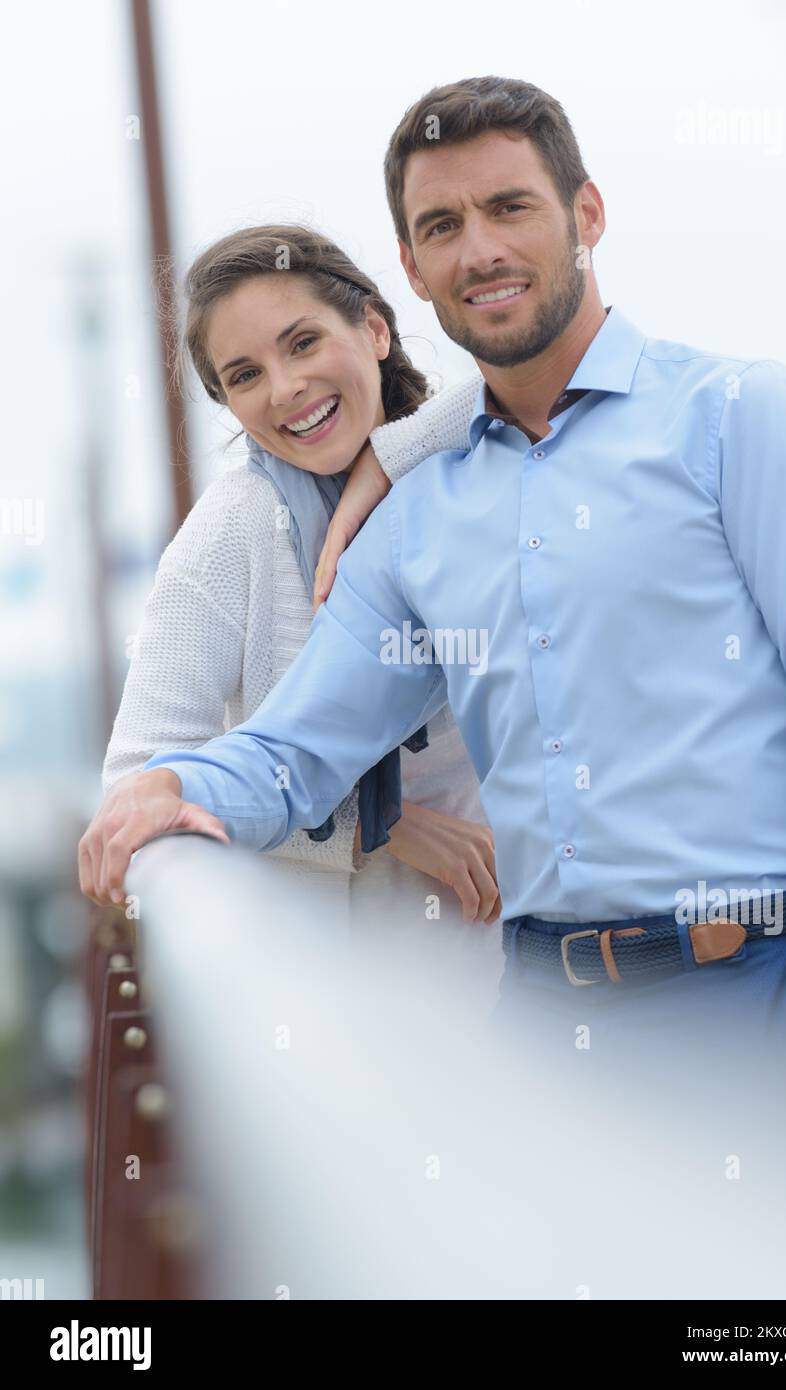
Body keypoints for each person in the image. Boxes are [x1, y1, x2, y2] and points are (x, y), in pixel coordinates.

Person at [81, 76, 786, 1241]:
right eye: (443, 227)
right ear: (409, 266)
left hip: (762, 995)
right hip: (544, 1027)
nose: (480, 250)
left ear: (587, 213)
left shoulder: (744, 418)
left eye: (510, 207)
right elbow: (296, 751)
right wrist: (173, 786)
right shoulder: (413, 515)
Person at [94, 222, 503, 998]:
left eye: (303, 343)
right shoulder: (230, 532)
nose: (283, 388)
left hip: (524, 963)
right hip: (339, 992)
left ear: (375, 328)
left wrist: (391, 457)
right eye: (244, 375)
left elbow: (550, 370)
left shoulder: (471, 471)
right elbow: (136, 780)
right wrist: (379, 821)